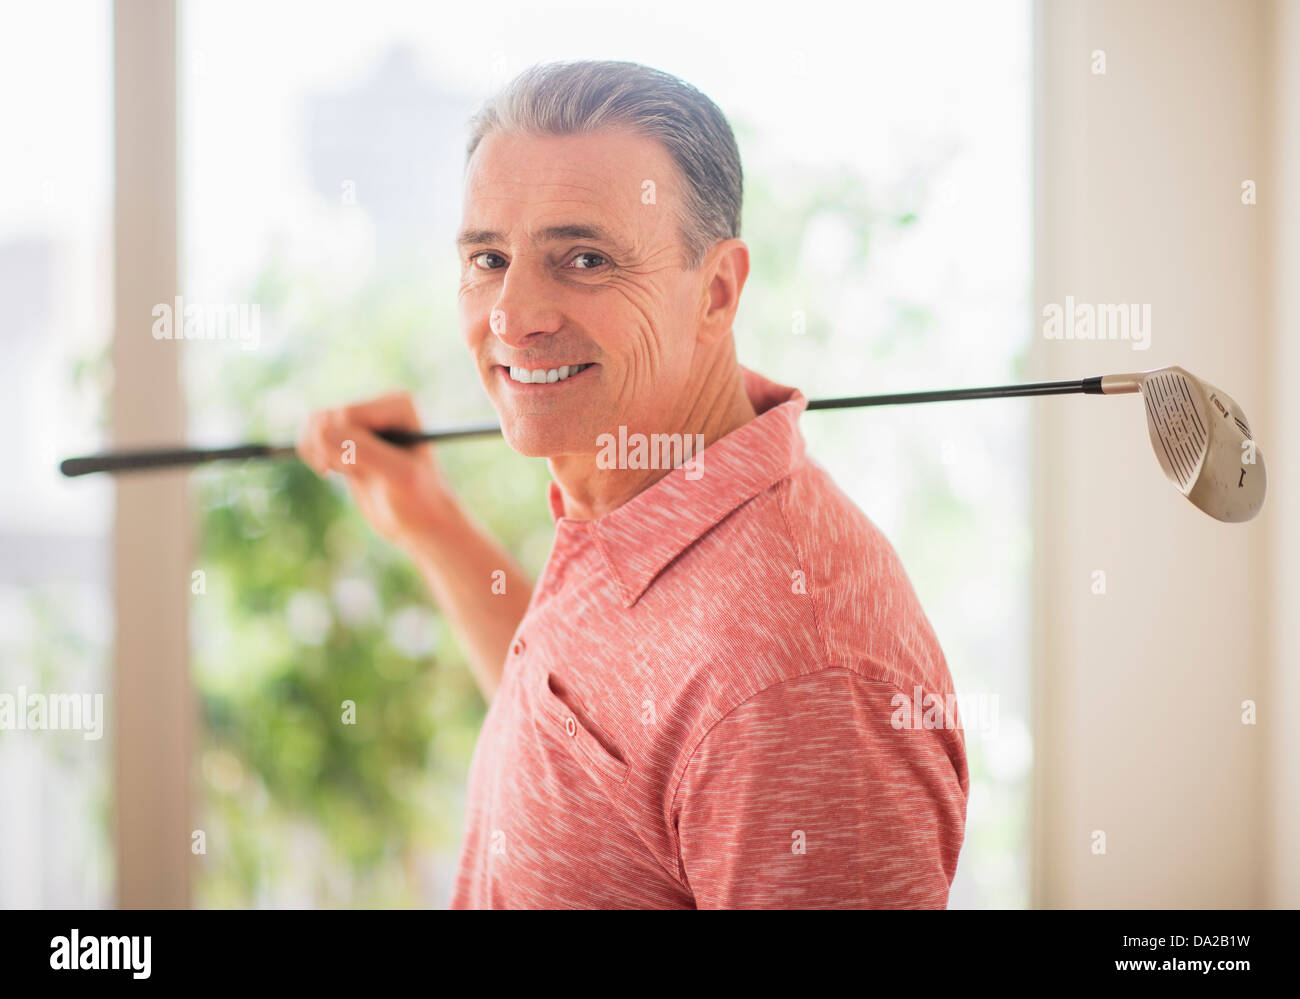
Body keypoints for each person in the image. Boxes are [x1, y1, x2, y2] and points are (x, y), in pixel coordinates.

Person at [298, 59, 968, 909]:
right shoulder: (637, 495)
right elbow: (591, 755)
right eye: (489, 258)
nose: (512, 316)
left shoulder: (801, 683)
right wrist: (428, 520)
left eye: (584, 259)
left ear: (716, 292)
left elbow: (717, 704)